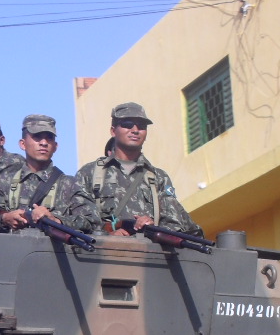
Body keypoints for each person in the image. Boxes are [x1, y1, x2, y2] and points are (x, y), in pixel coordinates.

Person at [76, 102, 203, 238]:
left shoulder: (158, 177)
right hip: (104, 255)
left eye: (141, 126)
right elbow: (80, 220)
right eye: (128, 124)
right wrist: (109, 234)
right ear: (113, 131)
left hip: (150, 254)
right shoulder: (90, 173)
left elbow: (174, 222)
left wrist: (152, 226)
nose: (135, 130)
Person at [0, 114, 100, 235]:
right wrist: (5, 219)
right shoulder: (5, 182)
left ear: (55, 146)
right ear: (22, 144)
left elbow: (92, 221)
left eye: (49, 138)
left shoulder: (70, 184)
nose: (44, 143)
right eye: (37, 137)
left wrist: (55, 220)